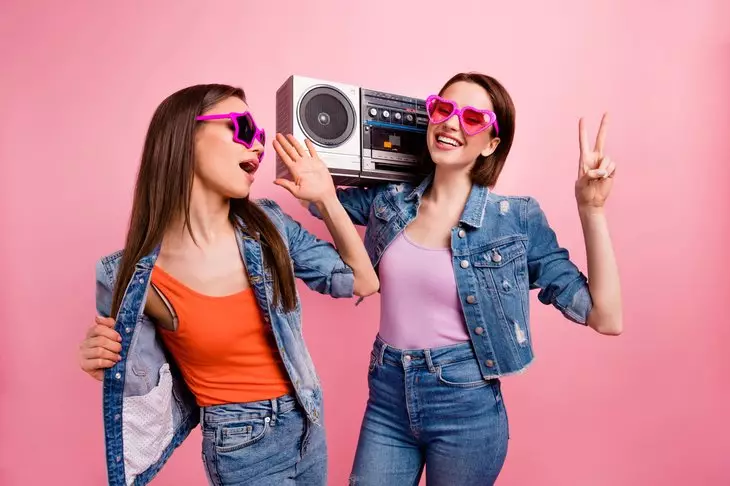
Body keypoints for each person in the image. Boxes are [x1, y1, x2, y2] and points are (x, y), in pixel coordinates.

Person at [306, 72, 623, 485]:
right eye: (444, 109)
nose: (452, 123)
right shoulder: (390, 198)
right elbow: (318, 200)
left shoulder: (515, 219)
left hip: (465, 403)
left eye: (473, 118)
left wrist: (592, 210)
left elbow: (606, 318)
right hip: (387, 393)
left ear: (492, 143)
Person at [77, 83, 379, 486]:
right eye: (241, 128)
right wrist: (98, 361)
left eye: (258, 137)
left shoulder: (269, 225)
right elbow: (135, 378)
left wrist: (326, 199)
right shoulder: (130, 275)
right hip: (241, 443)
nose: (257, 145)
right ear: (185, 136)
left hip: (307, 420)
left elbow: (363, 280)